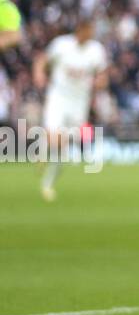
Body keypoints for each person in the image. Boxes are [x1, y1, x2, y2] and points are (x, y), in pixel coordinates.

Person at [32, 17, 108, 201]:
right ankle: (42, 151)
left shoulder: (96, 51)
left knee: (63, 148)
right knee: (54, 136)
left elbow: (103, 75)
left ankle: (47, 184)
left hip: (79, 103)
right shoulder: (62, 45)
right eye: (88, 30)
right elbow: (42, 59)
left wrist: (100, 83)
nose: (91, 34)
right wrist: (39, 74)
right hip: (58, 97)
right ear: (80, 30)